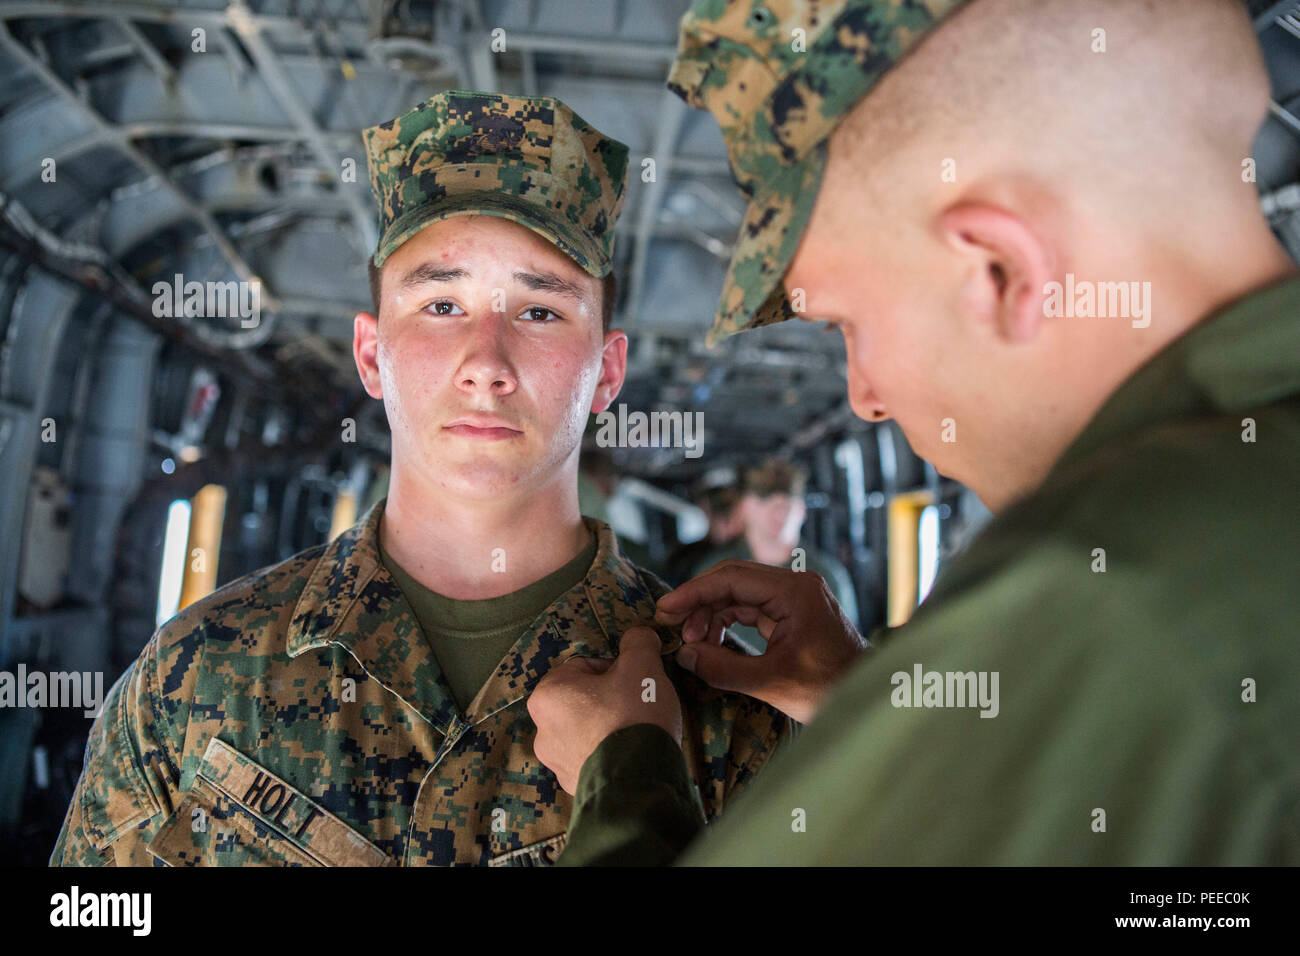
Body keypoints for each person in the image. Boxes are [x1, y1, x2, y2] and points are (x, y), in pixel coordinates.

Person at [528, 0, 1300, 864]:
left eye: (848, 322)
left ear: (999, 271)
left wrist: (620, 771)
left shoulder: (1114, 591)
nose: (865, 399)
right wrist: (859, 691)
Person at [50, 90, 788, 867]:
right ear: (372, 356)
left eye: (539, 313)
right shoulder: (191, 680)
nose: (487, 365)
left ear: (606, 373)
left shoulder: (729, 711)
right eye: (442, 304)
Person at [683, 458, 858, 649]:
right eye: (766, 501)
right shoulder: (714, 571)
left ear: (801, 511)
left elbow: (846, 654)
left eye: (788, 503)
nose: (780, 513)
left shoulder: (827, 577)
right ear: (745, 507)